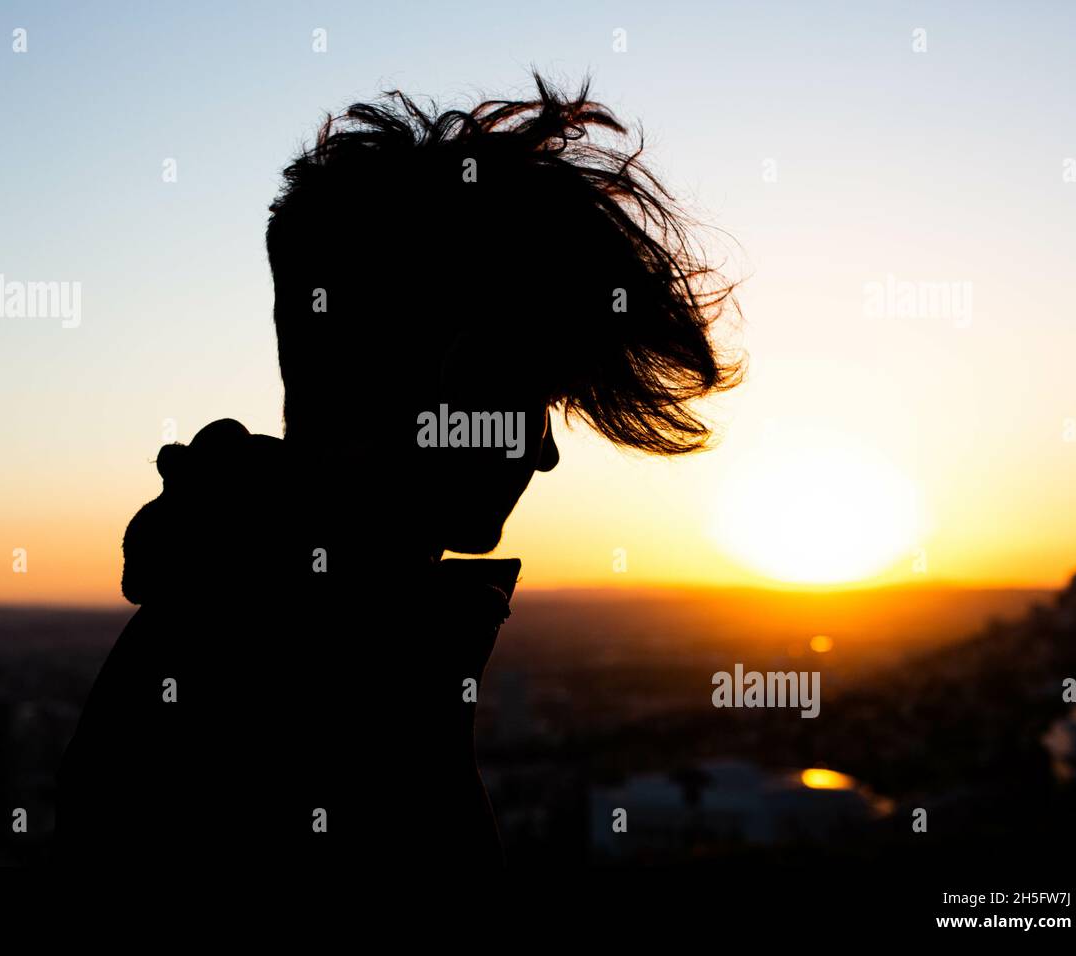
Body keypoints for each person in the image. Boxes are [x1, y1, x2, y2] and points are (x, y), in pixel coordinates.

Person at [58, 73, 739, 870]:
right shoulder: (333, 698)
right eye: (536, 394)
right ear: (469, 371)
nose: (545, 451)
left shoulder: (251, 631)